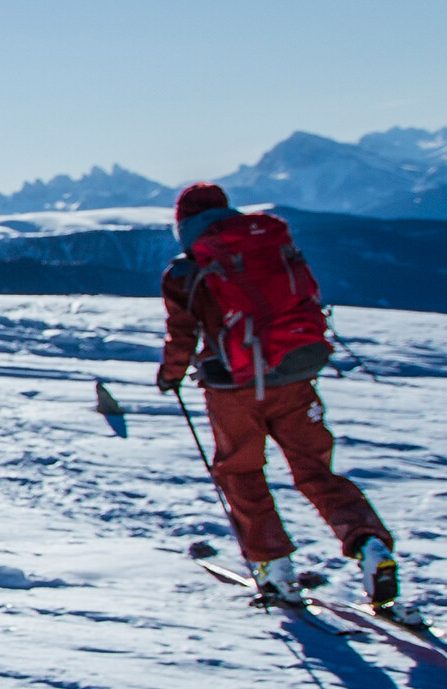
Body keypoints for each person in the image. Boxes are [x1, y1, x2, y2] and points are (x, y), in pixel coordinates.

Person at [157, 182, 401, 607]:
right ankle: (368, 544)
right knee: (317, 473)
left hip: (234, 390)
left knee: (241, 472)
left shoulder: (185, 271)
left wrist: (170, 375)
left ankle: (275, 570)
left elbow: (182, 334)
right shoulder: (267, 247)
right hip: (294, 377)